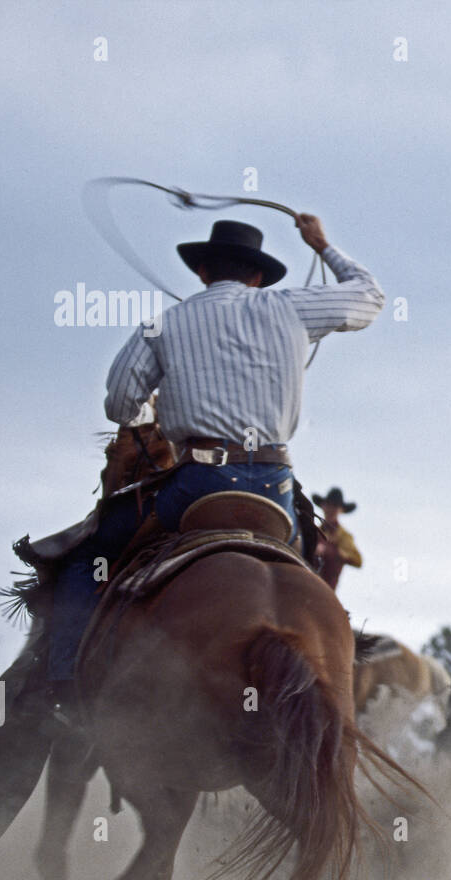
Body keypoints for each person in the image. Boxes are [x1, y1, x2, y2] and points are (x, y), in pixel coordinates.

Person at [47, 216, 385, 723]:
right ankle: (332, 656)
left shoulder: (164, 323)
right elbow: (369, 297)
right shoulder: (288, 306)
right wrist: (322, 245)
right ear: (257, 276)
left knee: (85, 557)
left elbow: (119, 405)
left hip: (197, 483)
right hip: (275, 489)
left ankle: (65, 693)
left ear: (203, 271)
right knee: (311, 570)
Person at [313, 487, 363, 592]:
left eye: (335, 506)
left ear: (341, 510)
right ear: (323, 506)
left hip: (327, 589)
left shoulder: (345, 537)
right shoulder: (314, 531)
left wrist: (330, 551)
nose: (331, 510)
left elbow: (358, 560)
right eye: (328, 505)